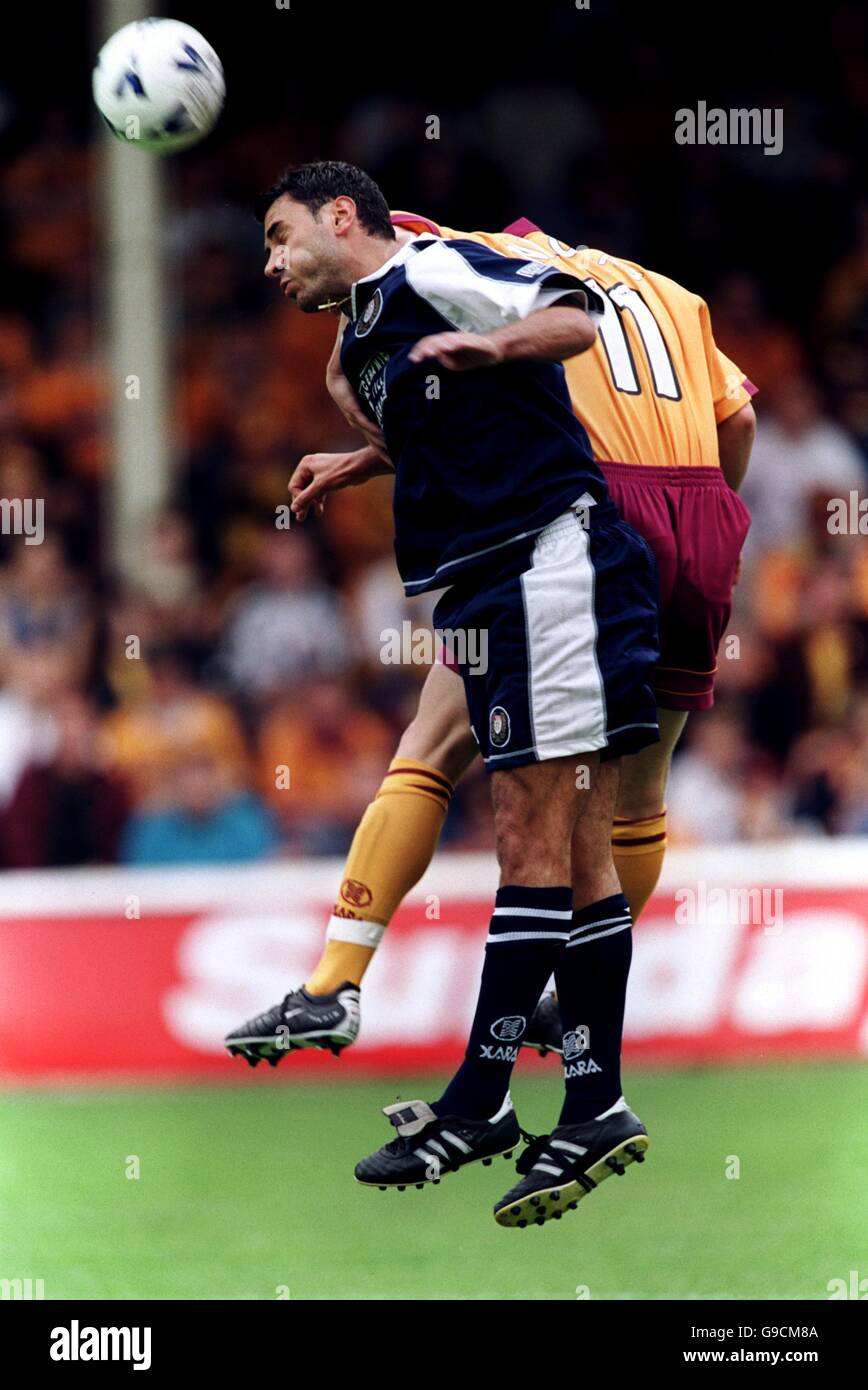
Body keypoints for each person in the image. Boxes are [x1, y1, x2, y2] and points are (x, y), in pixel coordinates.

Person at [226, 162, 661, 1228]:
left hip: (548, 562)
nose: (273, 265)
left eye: (282, 238)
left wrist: (495, 341)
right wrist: (359, 462)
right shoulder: (358, 347)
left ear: (343, 217)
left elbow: (573, 317)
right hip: (484, 587)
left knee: (531, 842)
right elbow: (442, 422)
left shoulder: (437, 269)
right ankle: (591, 1101)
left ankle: (481, 1099)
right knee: (579, 851)